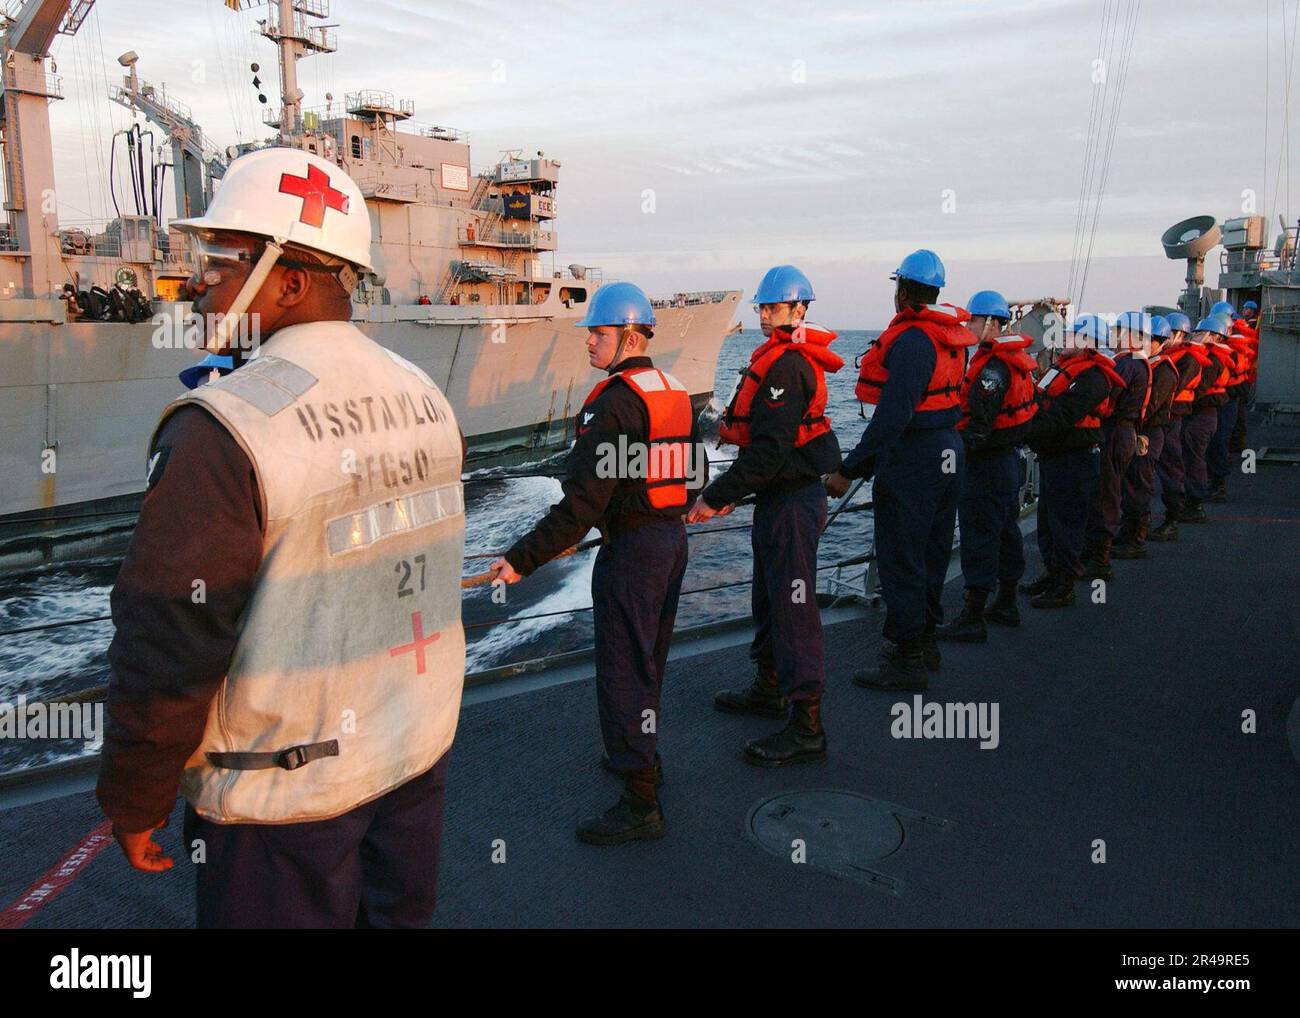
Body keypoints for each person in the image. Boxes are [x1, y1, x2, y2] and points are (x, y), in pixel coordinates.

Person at [96, 148, 467, 928]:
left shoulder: (226, 427)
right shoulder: (423, 391)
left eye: (223, 259)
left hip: (286, 800)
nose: (198, 279)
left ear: (290, 281)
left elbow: (168, 628)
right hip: (412, 756)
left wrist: (136, 792)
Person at [491, 281, 705, 844]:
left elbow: (582, 504)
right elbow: (690, 471)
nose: (589, 342)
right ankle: (642, 755)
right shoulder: (676, 391)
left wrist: (520, 560)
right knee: (648, 659)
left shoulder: (611, 403)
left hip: (633, 554)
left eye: (600, 333)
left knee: (621, 670)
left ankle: (641, 802)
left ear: (630, 337)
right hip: (670, 543)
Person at [699, 265, 843, 765]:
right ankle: (770, 686)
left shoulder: (785, 368)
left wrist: (714, 495)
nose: (764, 314)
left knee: (793, 609)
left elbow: (769, 452)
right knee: (770, 597)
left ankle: (807, 726)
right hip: (778, 499)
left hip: (792, 502)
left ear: (799, 310)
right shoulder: (781, 360)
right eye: (762, 306)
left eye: (773, 307)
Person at [826, 249, 976, 690]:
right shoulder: (951, 337)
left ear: (904, 291)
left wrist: (849, 470)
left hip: (915, 458)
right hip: (948, 449)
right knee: (931, 553)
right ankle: (925, 640)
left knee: (902, 558)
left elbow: (892, 418)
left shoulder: (913, 341)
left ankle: (906, 659)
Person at [935, 290, 1037, 642]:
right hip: (1008, 461)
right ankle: (1006, 602)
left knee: (980, 535)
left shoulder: (991, 369)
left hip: (986, 466)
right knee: (1007, 530)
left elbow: (979, 425)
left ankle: (972, 615)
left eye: (973, 321)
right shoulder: (1014, 361)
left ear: (990, 323)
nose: (969, 326)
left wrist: (952, 455)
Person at [1020, 314, 1126, 608]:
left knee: (1066, 524)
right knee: (1048, 523)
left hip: (1075, 460)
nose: (1065, 338)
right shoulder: (1061, 370)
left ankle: (1064, 585)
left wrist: (1025, 427)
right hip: (1055, 457)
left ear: (1089, 343)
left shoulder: (1094, 378)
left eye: (1072, 335)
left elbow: (1065, 414)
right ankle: (1053, 574)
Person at [1081, 311, 1151, 580]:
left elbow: (1108, 397)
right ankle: (1098, 552)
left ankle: (1100, 559)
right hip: (1124, 432)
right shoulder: (1137, 363)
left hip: (1115, 433)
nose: (1114, 335)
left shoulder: (1127, 364)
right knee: (1109, 492)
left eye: (1119, 330)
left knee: (1105, 495)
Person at [1114, 315, 1181, 558]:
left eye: (1149, 339)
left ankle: (1137, 539)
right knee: (1129, 483)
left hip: (1149, 434)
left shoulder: (1163, 371)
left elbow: (1148, 407)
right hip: (1137, 431)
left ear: (1161, 342)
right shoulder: (1143, 365)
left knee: (1139, 484)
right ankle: (1127, 532)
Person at [1148, 311, 1207, 542]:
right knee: (1168, 464)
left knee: (1171, 464)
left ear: (1181, 334)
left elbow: (1172, 387)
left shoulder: (1187, 360)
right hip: (1167, 418)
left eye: (1170, 333)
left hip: (1172, 419)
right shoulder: (1170, 357)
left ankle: (1174, 517)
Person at [1181, 314, 1234, 523]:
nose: (1196, 336)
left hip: (1202, 416)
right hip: (1204, 415)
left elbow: (1199, 389)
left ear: (1215, 337)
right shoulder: (1210, 357)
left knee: (1194, 458)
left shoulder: (1212, 361)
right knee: (1195, 457)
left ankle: (1194, 503)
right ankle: (1194, 498)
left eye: (1201, 333)